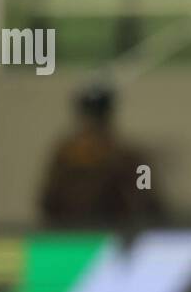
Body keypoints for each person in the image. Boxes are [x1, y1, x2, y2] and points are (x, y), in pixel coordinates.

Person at [39, 84, 163, 226]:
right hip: (74, 235)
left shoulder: (128, 156)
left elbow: (147, 196)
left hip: (110, 233)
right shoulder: (65, 156)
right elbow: (48, 200)